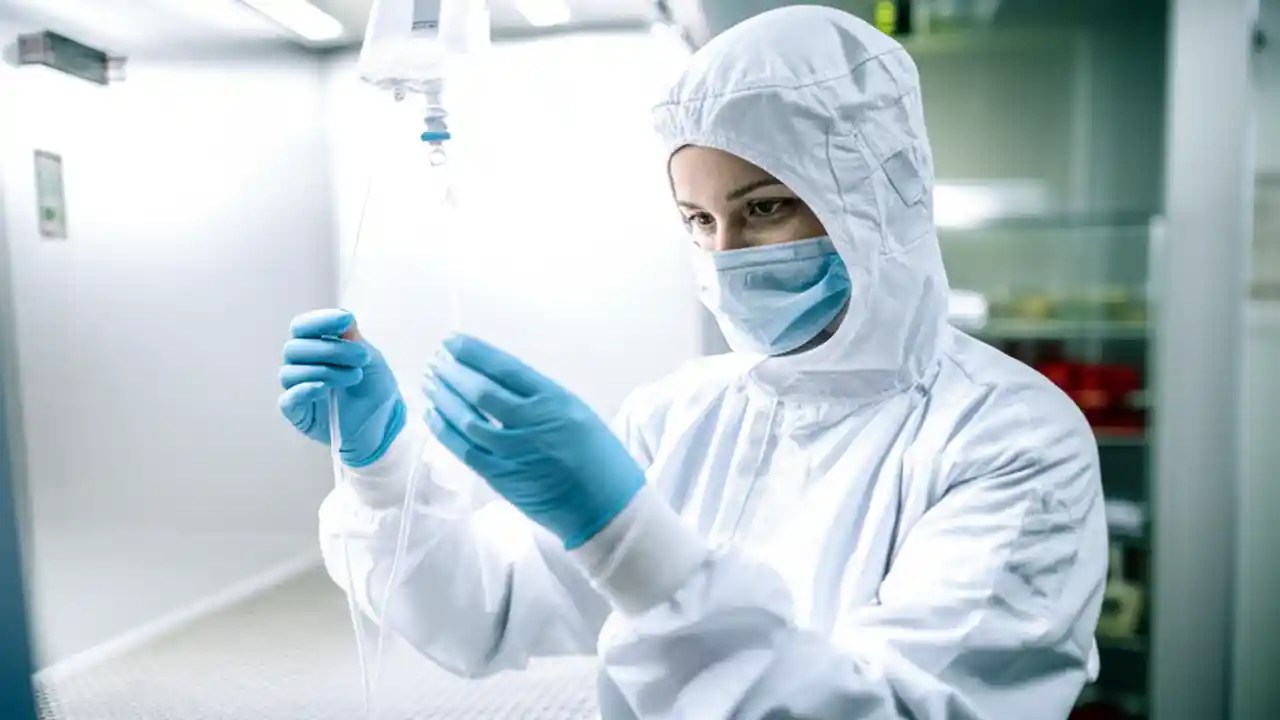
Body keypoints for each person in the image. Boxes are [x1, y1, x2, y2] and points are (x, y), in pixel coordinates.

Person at [278, 6, 1106, 718]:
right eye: (698, 220)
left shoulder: (1012, 440)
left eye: (765, 207)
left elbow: (893, 708)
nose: (727, 255)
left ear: (880, 197)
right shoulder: (684, 413)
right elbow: (485, 613)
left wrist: (626, 535)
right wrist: (381, 468)